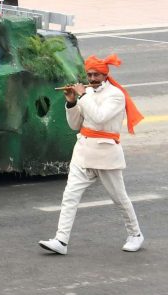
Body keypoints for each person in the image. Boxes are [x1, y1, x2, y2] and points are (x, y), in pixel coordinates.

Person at [41, 56, 146, 255]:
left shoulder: (115, 95)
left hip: (106, 154)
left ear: (105, 75)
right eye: (89, 74)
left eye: (95, 74)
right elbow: (74, 125)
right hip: (82, 152)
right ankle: (61, 240)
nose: (91, 78)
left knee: (119, 198)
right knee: (69, 196)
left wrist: (82, 96)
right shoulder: (86, 94)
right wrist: (71, 103)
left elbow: (99, 117)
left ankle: (135, 234)